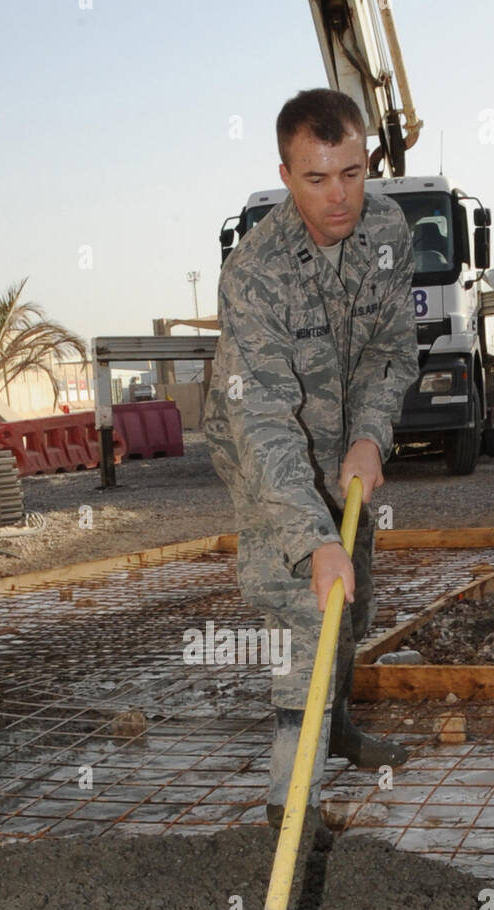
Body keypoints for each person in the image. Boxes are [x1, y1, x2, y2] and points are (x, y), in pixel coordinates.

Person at [205, 89, 419, 828]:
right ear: (285, 175)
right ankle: (284, 798)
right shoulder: (252, 273)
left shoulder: (388, 230)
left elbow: (391, 352)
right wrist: (312, 536)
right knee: (306, 594)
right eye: (317, 179)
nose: (339, 198)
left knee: (349, 589)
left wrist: (370, 434)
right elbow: (260, 416)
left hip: (342, 444)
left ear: (367, 161)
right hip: (261, 447)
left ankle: (338, 728)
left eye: (352, 174)